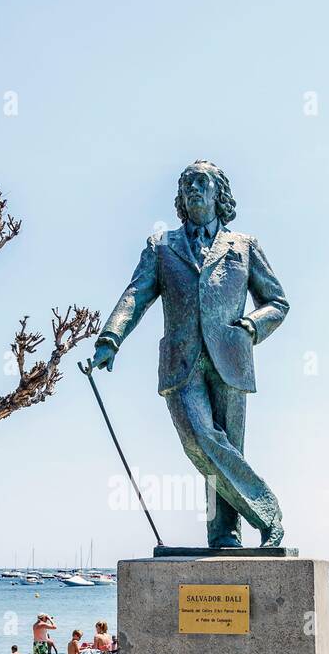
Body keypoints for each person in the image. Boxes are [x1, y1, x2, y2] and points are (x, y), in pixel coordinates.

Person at [88, 160, 289, 547]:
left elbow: (277, 301)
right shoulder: (162, 247)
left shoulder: (244, 247)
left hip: (231, 357)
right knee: (199, 440)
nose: (194, 189)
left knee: (228, 446)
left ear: (218, 194)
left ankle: (225, 534)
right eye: (187, 185)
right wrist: (109, 340)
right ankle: (267, 511)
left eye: (202, 183)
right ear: (180, 197)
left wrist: (253, 325)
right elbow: (136, 294)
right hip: (181, 362)